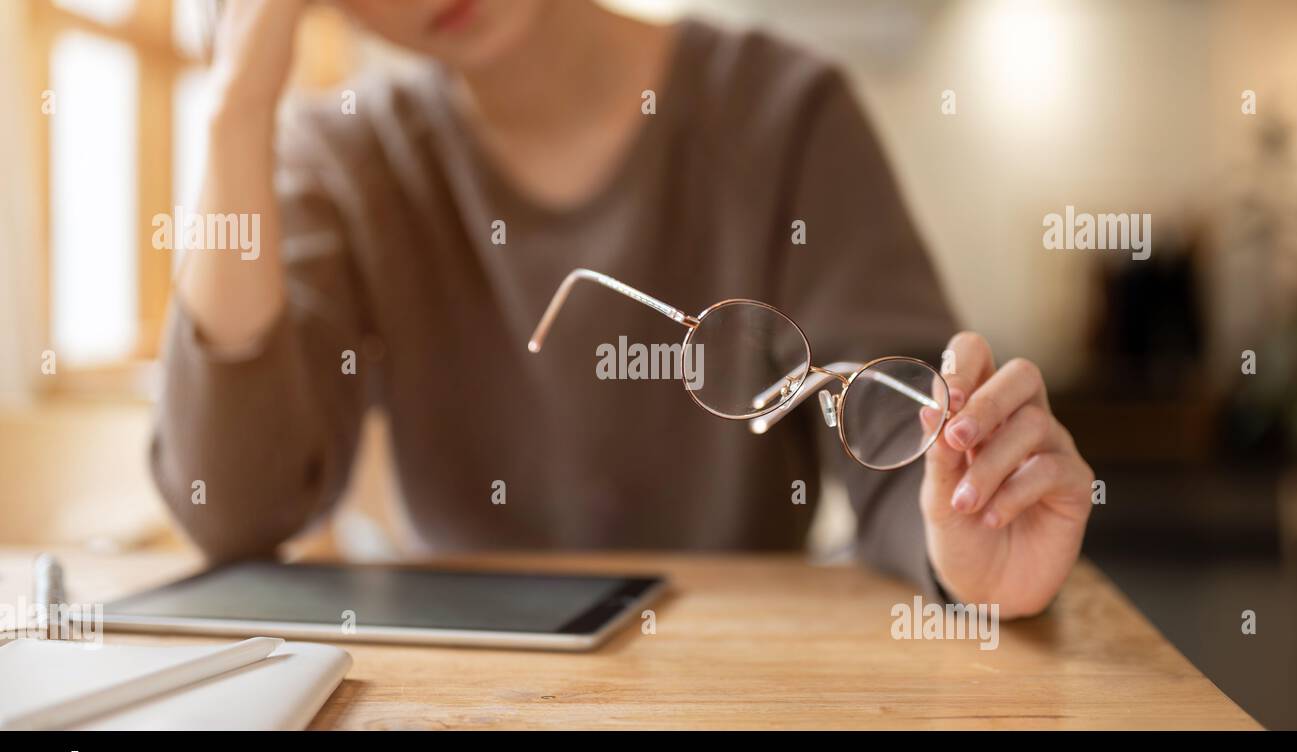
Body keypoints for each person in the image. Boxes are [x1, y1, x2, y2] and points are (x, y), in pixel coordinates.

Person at [153, 0, 1094, 619]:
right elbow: (235, 508)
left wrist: (959, 541)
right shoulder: (347, 157)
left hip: (736, 694)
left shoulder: (784, 112)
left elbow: (906, 432)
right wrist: (235, 110)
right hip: (476, 700)